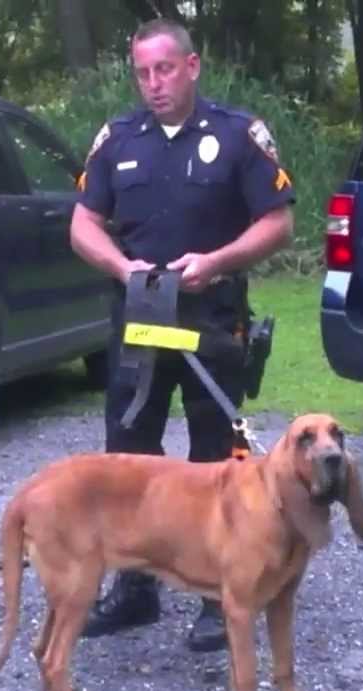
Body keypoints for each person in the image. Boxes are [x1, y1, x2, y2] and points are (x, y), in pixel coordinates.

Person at [68, 17, 296, 653]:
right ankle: (136, 592)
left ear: (191, 66)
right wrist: (121, 266)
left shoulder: (237, 136)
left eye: (164, 69)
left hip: (211, 318)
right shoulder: (118, 139)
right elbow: (82, 223)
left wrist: (217, 261)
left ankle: (218, 595)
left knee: (215, 460)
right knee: (130, 459)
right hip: (141, 318)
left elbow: (278, 222)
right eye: (142, 73)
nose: (154, 84)